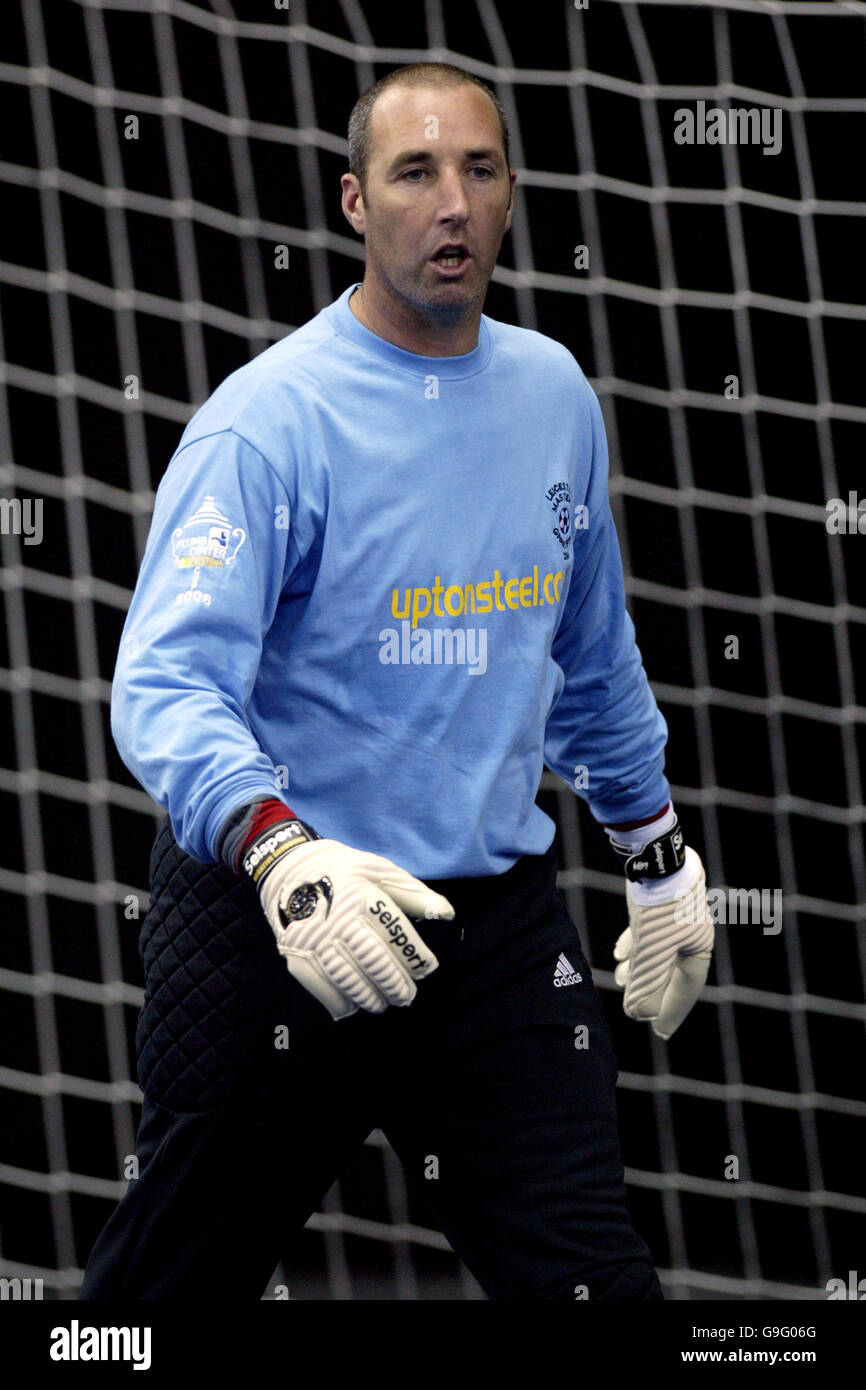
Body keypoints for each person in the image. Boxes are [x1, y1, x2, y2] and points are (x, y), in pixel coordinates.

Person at [80, 62, 714, 1302]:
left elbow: (585, 656)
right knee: (154, 1307)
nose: (452, 205)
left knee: (594, 1283)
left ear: (513, 196)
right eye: (415, 172)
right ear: (353, 203)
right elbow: (165, 682)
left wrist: (655, 855)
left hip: (491, 946)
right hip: (281, 919)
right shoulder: (267, 422)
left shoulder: (552, 398)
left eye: (479, 171)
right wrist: (280, 853)